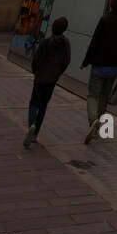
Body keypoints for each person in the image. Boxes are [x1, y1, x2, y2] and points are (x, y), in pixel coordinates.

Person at [80, 0, 117, 144]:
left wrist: (86, 61)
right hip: (115, 66)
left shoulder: (105, 20)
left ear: (111, 3)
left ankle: (93, 120)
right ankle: (98, 125)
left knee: (93, 94)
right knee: (104, 96)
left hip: (100, 64)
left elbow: (95, 42)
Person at [24, 16, 71, 148]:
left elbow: (36, 59)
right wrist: (58, 73)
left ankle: (31, 125)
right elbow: (66, 61)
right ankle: (35, 133)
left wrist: (36, 71)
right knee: (43, 105)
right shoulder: (66, 43)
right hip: (52, 78)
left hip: (40, 77)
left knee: (34, 103)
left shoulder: (46, 42)